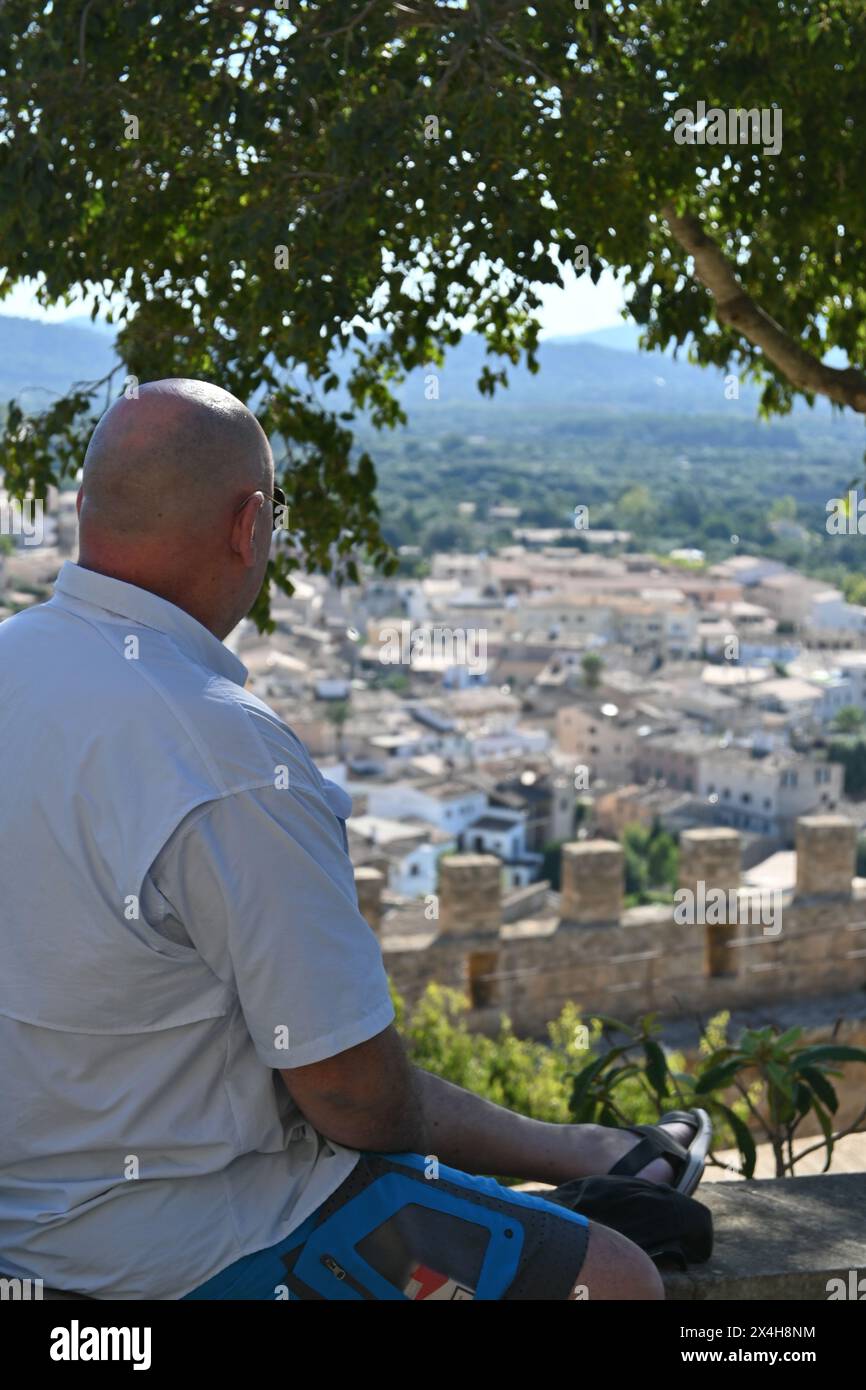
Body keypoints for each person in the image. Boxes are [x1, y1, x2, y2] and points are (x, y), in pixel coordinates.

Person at [0, 380, 709, 1301]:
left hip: (23, 1227)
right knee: (615, 1281)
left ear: (86, 510)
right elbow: (353, 1098)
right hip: (180, 1247)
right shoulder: (229, 758)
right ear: (250, 524)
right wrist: (567, 1161)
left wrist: (571, 1154)